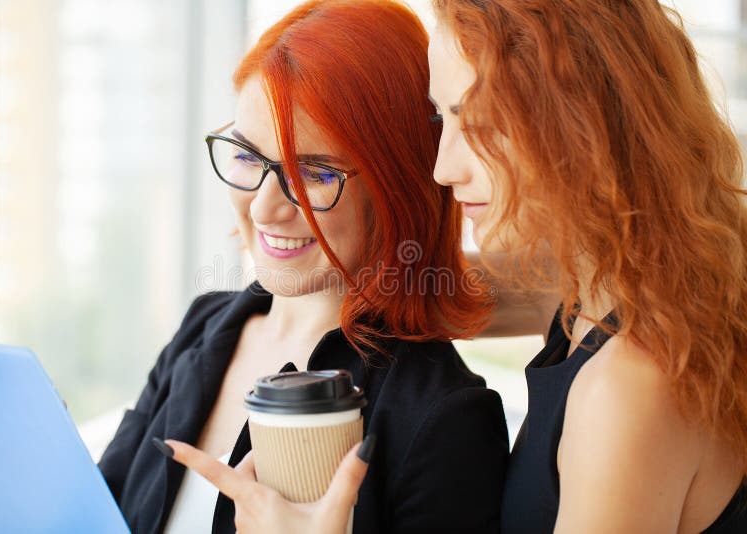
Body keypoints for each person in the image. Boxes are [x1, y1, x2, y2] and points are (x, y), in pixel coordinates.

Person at [168, 0, 747, 533]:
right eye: (441, 121)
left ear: (581, 129)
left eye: (479, 126)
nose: (442, 170)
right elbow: (422, 287)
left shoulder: (625, 389)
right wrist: (316, 236)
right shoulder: (610, 294)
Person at [99, 1, 509, 533]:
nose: (266, 207)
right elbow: (99, 507)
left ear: (399, 186)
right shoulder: (207, 326)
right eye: (248, 156)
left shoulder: (441, 414)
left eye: (312, 171)